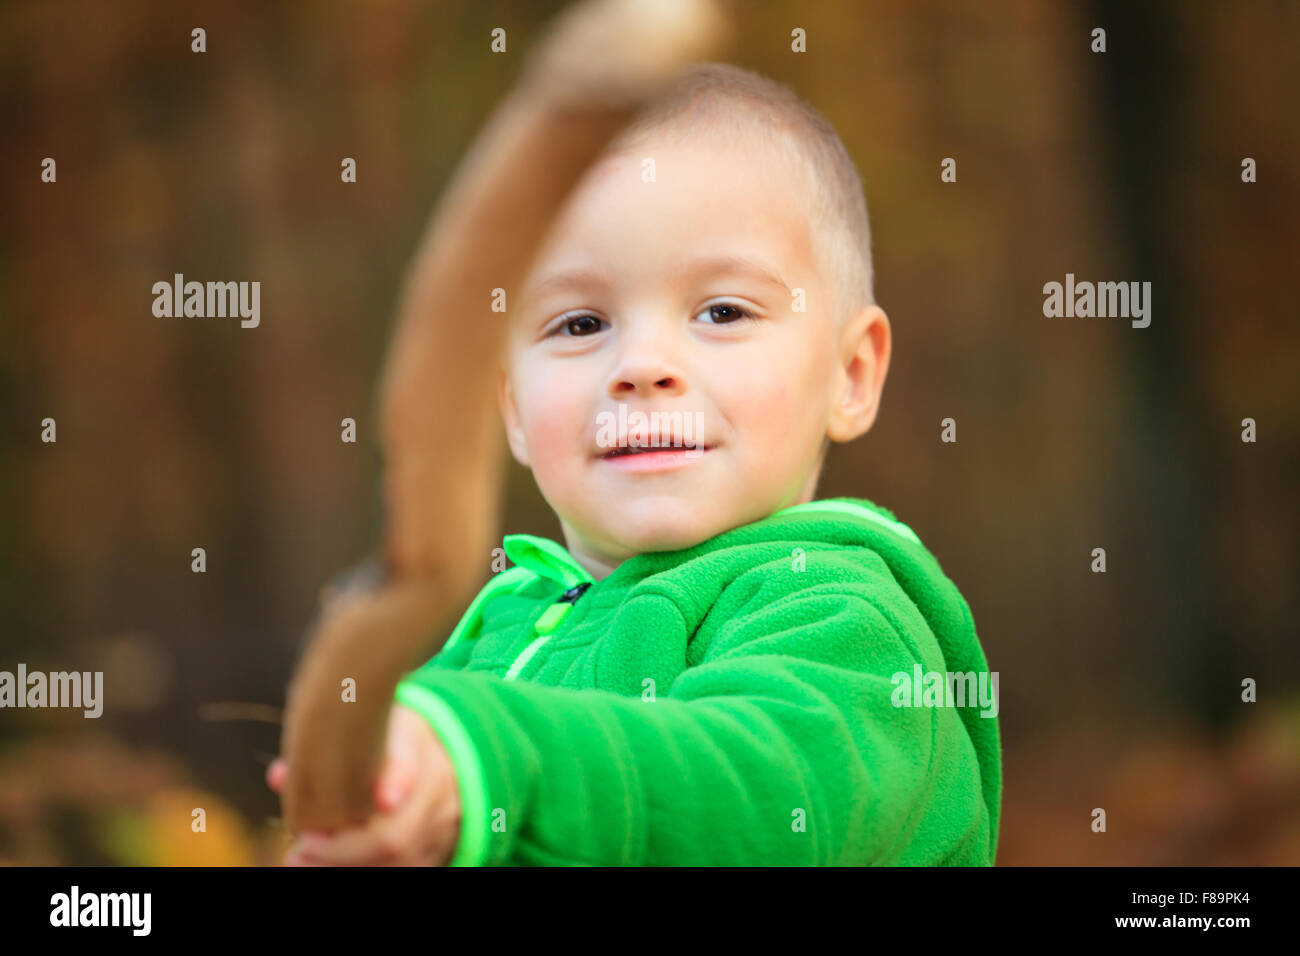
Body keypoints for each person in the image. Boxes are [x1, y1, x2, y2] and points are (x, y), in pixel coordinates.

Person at [268, 61, 1001, 866]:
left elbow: (760, 792)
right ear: (512, 404)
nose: (643, 365)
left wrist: (489, 772)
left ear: (851, 374)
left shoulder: (843, 617)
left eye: (723, 311)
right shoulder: (488, 643)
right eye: (580, 323)